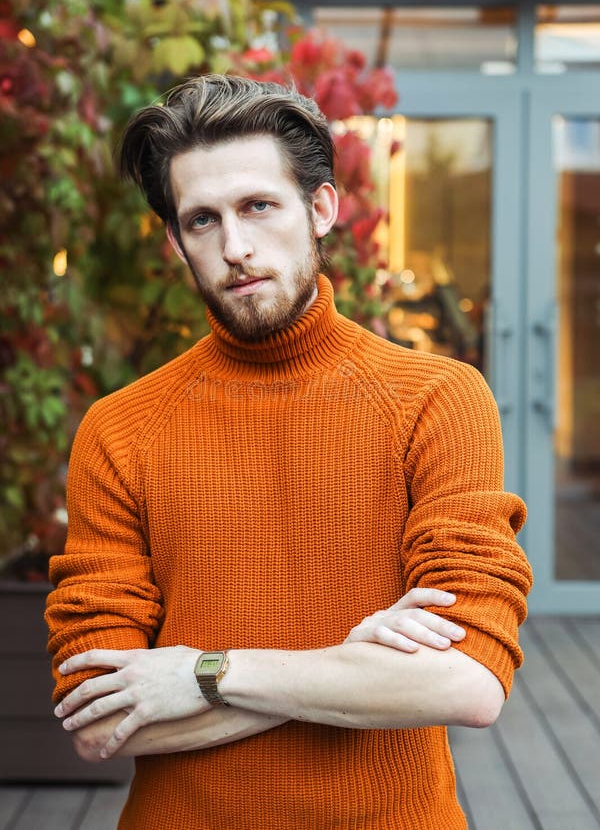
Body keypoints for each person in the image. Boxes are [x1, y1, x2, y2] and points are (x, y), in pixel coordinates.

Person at [45, 74, 533, 830]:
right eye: (202, 220)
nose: (234, 247)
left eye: (258, 206)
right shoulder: (120, 429)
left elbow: (469, 682)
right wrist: (350, 667)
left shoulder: (437, 399)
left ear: (321, 209)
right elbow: (100, 720)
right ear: (176, 242)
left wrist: (204, 674)